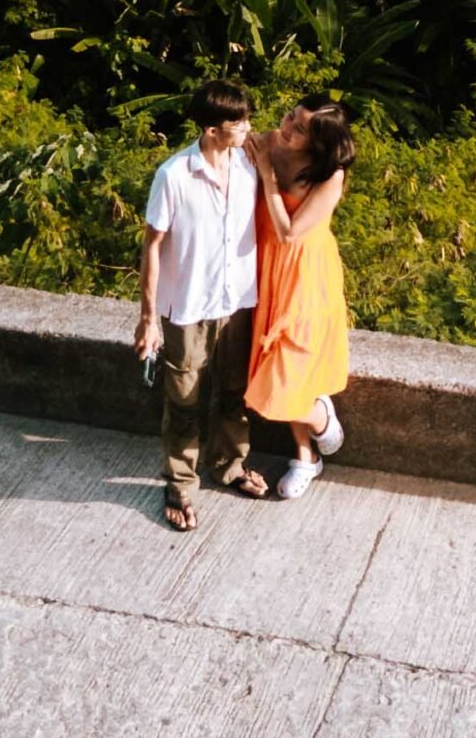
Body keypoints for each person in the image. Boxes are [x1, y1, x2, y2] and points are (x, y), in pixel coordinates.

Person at [135, 78, 270, 532]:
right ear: (212, 130)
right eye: (239, 122)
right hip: (188, 308)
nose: (248, 127)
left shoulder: (250, 166)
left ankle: (229, 466)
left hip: (238, 303)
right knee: (185, 401)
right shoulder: (173, 175)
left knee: (235, 393)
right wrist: (148, 319)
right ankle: (179, 487)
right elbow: (152, 246)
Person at [244, 94, 354, 500]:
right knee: (271, 363)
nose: (287, 127)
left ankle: (322, 416)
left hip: (305, 275)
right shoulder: (270, 139)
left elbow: (291, 231)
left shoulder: (329, 175)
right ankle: (307, 457)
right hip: (264, 266)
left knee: (284, 376)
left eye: (300, 127)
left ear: (318, 142)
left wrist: (269, 175)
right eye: (291, 116)